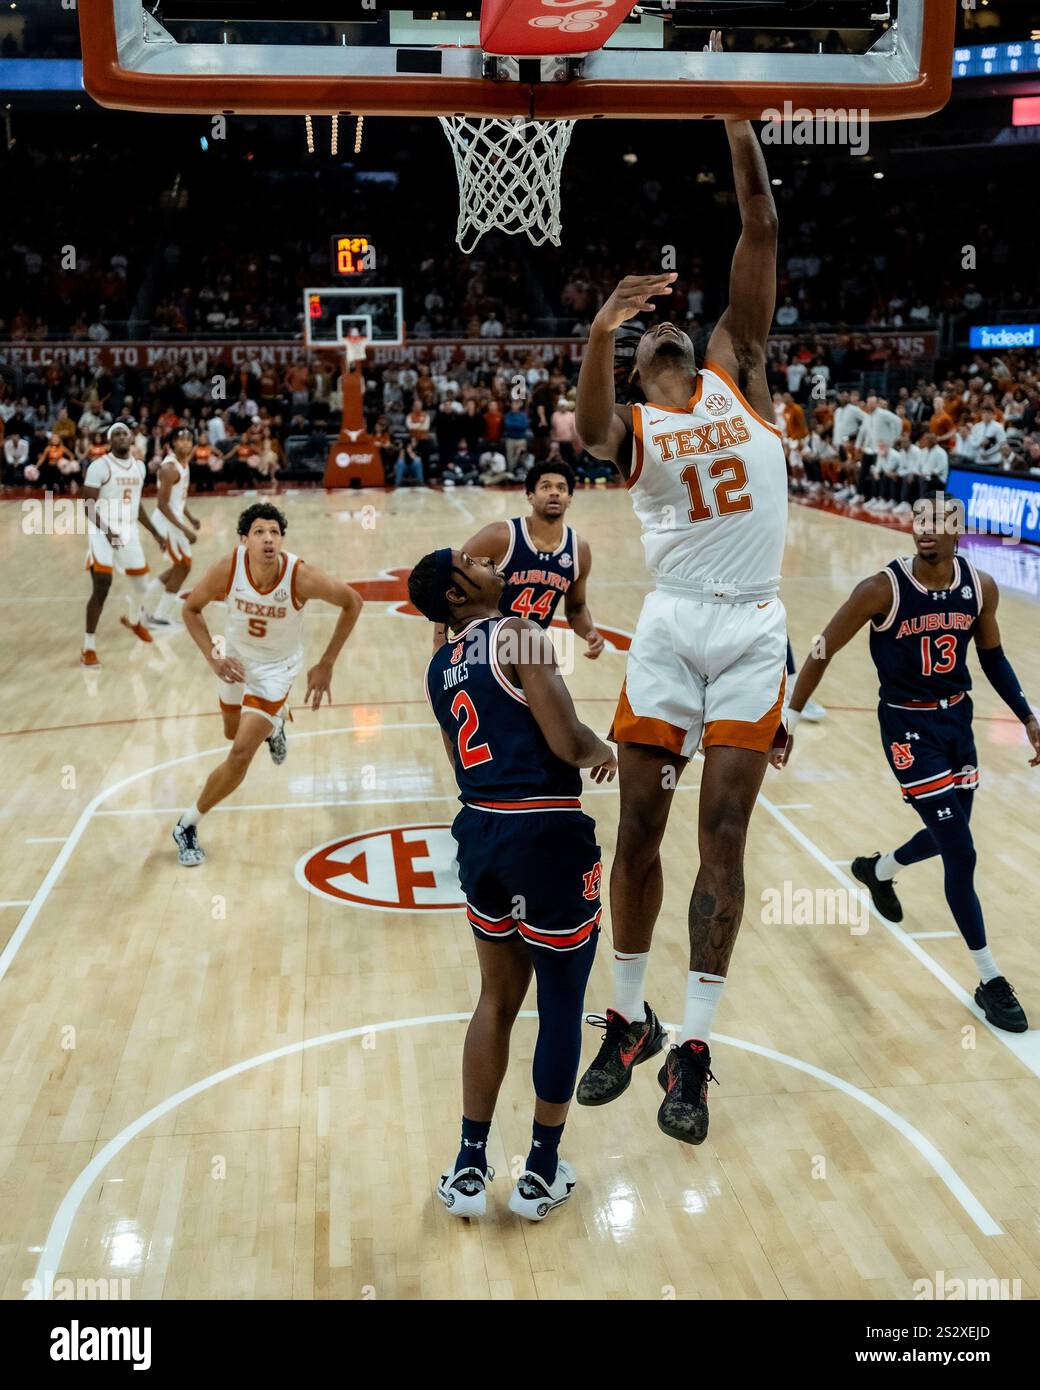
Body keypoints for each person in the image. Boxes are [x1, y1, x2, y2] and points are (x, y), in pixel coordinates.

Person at [573, 113, 787, 1145]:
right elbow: (588, 433)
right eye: (643, 337)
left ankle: (692, 1049)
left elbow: (758, 226)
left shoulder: (735, 366)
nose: (664, 333)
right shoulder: (633, 423)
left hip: (749, 628)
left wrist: (736, 121)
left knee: (723, 834)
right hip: (664, 630)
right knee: (639, 832)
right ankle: (626, 1020)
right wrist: (599, 328)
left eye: (661, 324)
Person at [409, 546, 616, 1220]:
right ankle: (539, 1174)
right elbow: (565, 740)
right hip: (546, 835)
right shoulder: (522, 633)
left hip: (481, 834)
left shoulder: (440, 666)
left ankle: (470, 1163)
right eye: (473, 560)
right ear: (459, 592)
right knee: (560, 1004)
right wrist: (607, 751)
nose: (492, 560)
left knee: (496, 999)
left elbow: (458, 764)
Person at [780, 495, 1038, 1032]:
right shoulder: (881, 589)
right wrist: (791, 718)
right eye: (921, 521)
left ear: (959, 532)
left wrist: (1029, 717)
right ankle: (989, 979)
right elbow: (824, 646)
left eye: (940, 523)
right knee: (961, 851)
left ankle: (878, 871)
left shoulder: (979, 586)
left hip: (957, 724)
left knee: (951, 832)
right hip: (906, 727)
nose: (927, 530)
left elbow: (992, 657)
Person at [172, 503, 363, 866]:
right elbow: (190, 609)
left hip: (277, 670)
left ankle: (186, 825)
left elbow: (353, 602)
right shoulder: (229, 568)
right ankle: (275, 726)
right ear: (245, 540)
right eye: (259, 532)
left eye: (275, 532)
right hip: (234, 662)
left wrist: (326, 663)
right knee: (231, 733)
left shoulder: (300, 576)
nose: (268, 539)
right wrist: (213, 659)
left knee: (240, 753)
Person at [444, 459, 604, 658]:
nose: (554, 492)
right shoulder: (500, 536)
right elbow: (449, 580)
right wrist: (440, 641)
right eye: (546, 487)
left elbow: (576, 608)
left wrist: (589, 632)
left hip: (529, 649)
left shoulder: (579, 550)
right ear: (530, 496)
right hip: (482, 643)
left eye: (561, 488)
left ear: (569, 498)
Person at [81, 422, 164, 665]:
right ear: (110, 441)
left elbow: (137, 506)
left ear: (131, 439)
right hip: (101, 529)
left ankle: (134, 621)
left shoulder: (139, 467)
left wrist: (156, 534)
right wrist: (107, 532)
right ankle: (88, 646)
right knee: (102, 585)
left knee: (141, 586)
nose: (120, 437)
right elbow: (87, 505)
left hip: (128, 530)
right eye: (115, 434)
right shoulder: (100, 466)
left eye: (124, 433)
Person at [148, 426, 200, 627]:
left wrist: (191, 518)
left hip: (174, 519)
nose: (185, 443)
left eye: (188, 439)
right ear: (172, 444)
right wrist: (185, 529)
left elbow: (178, 499)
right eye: (181, 439)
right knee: (184, 566)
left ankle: (143, 600)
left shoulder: (184, 464)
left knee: (179, 566)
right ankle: (160, 616)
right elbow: (161, 504)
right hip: (165, 522)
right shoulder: (169, 468)